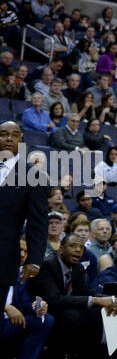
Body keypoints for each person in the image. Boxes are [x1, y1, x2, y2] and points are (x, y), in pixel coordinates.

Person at [30, 235, 117, 359]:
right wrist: (97, 300)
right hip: (43, 310)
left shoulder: (78, 268)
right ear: (61, 249)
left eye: (81, 247)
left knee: (99, 314)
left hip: (67, 311)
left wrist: (110, 299)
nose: (78, 250)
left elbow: (85, 291)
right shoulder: (48, 265)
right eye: (73, 246)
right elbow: (55, 300)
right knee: (72, 316)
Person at [1, 120, 48, 312]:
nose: (9, 139)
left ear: (21, 140)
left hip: (3, 258)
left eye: (15, 135)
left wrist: (34, 259)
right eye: (4, 134)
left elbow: (38, 222)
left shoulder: (33, 175)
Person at [1, 238, 53, 359]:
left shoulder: (21, 275)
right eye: (19, 250)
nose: (23, 254)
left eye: (26, 251)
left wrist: (38, 305)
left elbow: (24, 302)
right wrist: (4, 307)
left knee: (46, 320)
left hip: (9, 324)